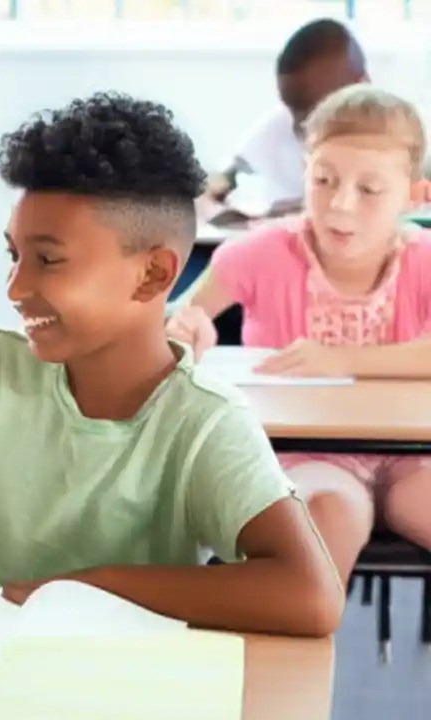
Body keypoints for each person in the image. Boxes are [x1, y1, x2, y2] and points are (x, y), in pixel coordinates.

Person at [0, 92, 343, 642]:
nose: (14, 288)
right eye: (13, 255)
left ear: (153, 275)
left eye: (47, 260)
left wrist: (89, 587)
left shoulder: (204, 421)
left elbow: (311, 597)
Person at [169, 85, 431, 576]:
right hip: (300, 459)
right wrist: (185, 329)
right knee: (326, 519)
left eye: (370, 190)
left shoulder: (424, 260)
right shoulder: (260, 253)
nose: (341, 205)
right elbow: (175, 323)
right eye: (324, 180)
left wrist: (343, 360)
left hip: (412, 458)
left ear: (415, 197)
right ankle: (297, 644)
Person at [203, 18, 366, 215]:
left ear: (361, 87)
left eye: (313, 110)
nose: (299, 124)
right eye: (292, 106)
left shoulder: (394, 134)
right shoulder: (279, 126)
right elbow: (220, 185)